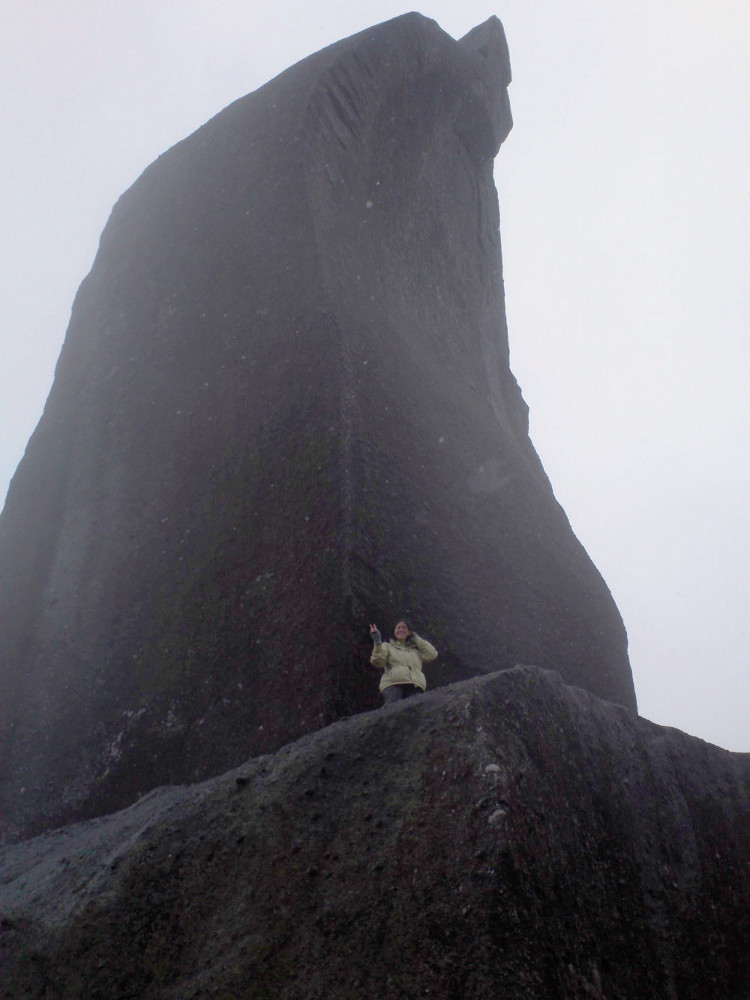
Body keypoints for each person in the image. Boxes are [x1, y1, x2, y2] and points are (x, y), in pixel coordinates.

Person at [369, 620, 438, 706]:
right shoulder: (387, 646)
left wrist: (416, 638)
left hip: (414, 685)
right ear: (394, 632)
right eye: (398, 627)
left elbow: (432, 654)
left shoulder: (415, 651)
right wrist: (377, 642)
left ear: (409, 632)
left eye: (404, 628)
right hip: (393, 683)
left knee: (415, 710)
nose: (401, 629)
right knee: (392, 709)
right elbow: (377, 662)